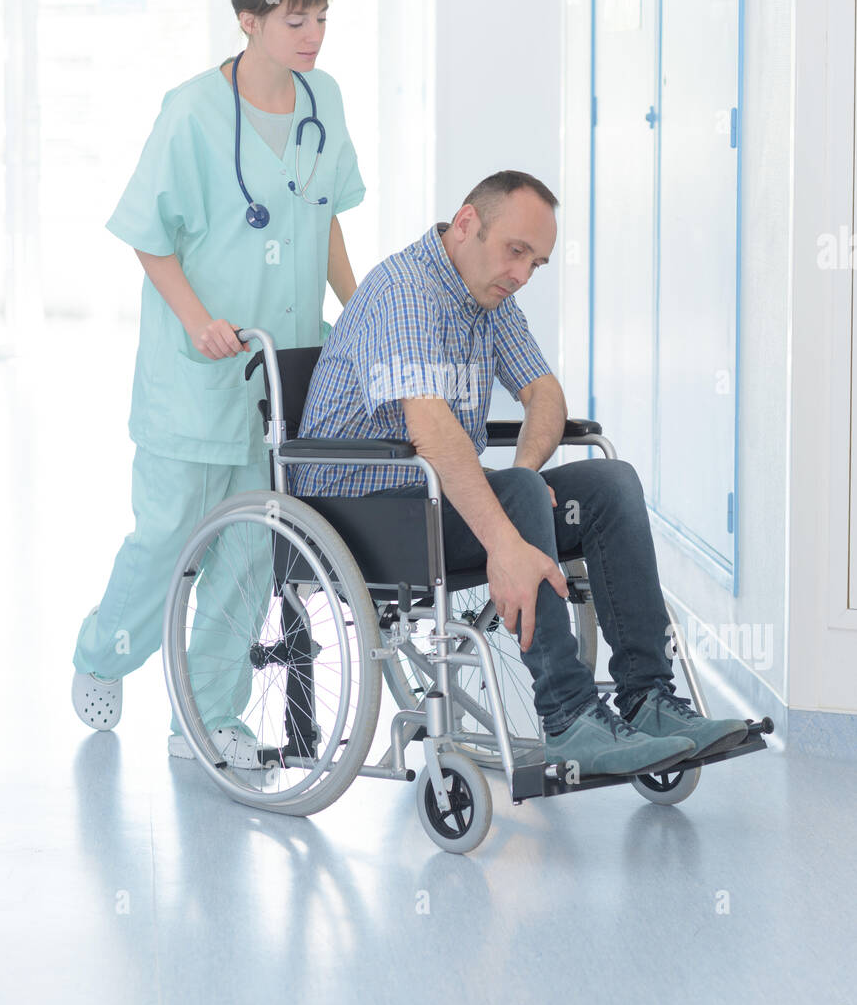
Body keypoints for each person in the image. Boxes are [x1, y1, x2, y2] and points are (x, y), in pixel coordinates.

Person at [289, 170, 748, 776]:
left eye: (538, 262)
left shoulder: (488, 295)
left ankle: (650, 697)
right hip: (363, 512)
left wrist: (526, 474)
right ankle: (568, 718)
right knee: (520, 493)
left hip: (433, 498)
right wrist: (506, 535)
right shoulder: (404, 290)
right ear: (466, 223)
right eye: (516, 252)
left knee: (611, 484)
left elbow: (545, 394)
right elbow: (427, 427)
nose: (523, 274)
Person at [71, 0, 365, 766]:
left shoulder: (325, 100)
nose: (311, 34)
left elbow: (326, 212)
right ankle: (103, 649)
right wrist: (198, 319)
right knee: (165, 541)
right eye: (294, 18)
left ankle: (205, 719)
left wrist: (359, 308)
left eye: (320, 18)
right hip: (197, 374)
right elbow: (147, 236)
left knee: (248, 552)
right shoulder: (191, 110)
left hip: (282, 369)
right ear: (248, 20)